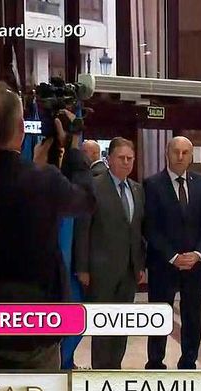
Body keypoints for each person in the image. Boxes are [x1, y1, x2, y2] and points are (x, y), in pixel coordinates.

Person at [0, 82, 95, 369]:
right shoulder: (43, 181)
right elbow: (85, 200)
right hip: (35, 331)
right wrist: (73, 149)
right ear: (21, 128)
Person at [144, 136, 201, 370]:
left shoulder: (200, 183)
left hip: (195, 264)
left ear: (191, 156)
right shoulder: (152, 184)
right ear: (167, 153)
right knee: (160, 314)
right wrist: (173, 257)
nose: (180, 156)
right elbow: (150, 227)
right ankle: (155, 362)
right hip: (164, 263)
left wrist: (198, 253)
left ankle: (188, 361)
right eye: (176, 151)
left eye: (185, 152)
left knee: (193, 315)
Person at [74, 137, 145, 369]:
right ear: (109, 159)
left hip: (129, 271)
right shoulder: (94, 186)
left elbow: (137, 230)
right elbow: (83, 228)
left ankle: (115, 370)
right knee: (103, 328)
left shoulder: (137, 189)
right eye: (121, 158)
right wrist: (82, 267)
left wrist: (140, 264)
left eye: (130, 158)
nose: (126, 162)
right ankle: (100, 373)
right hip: (101, 270)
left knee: (122, 326)